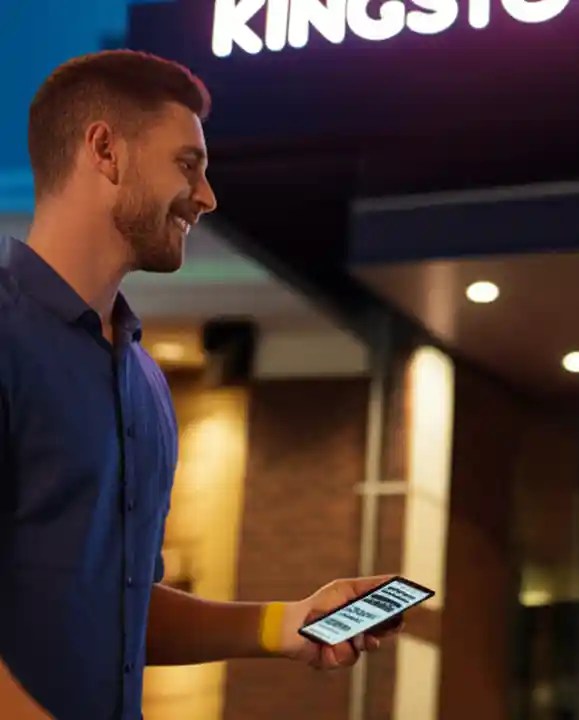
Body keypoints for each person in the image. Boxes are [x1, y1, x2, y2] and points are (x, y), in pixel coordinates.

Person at [0, 51, 402, 719]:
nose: (207, 197)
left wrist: (286, 624)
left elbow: (122, 608)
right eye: (188, 165)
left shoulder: (144, 384)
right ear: (105, 150)